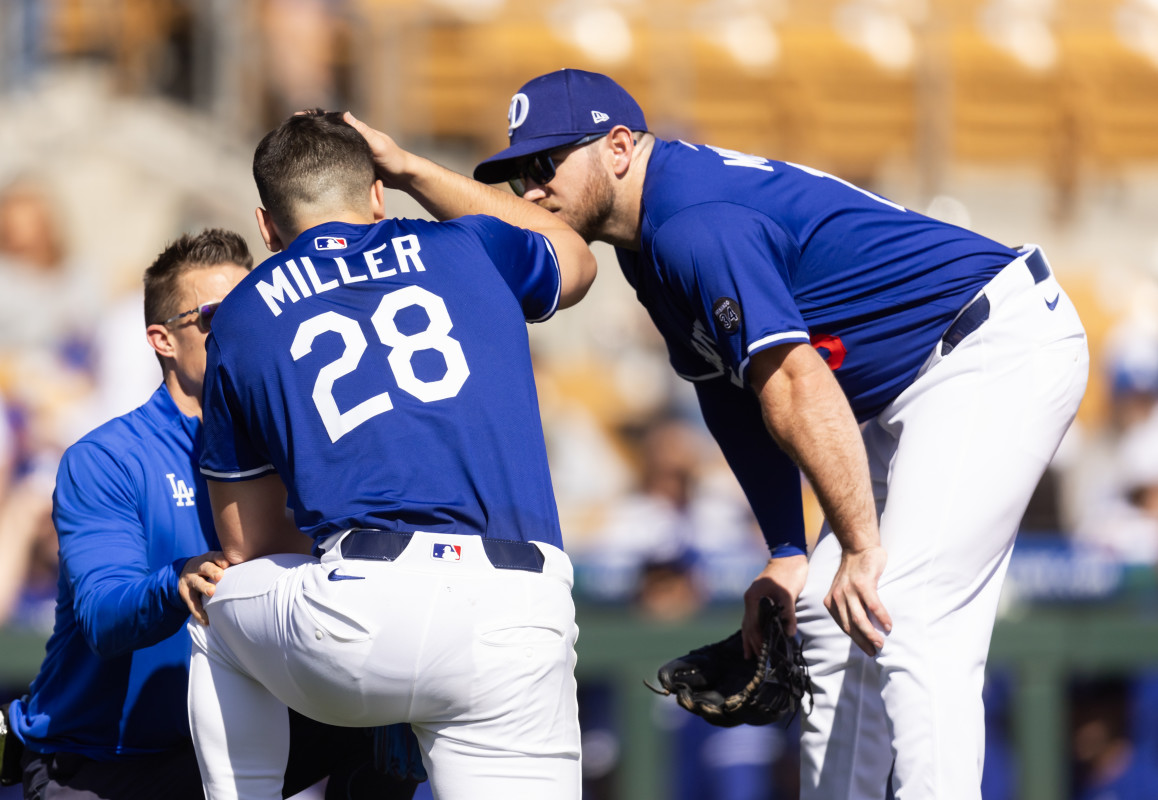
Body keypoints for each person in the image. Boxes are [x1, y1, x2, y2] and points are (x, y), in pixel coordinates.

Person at [472, 68, 1089, 799]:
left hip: (994, 347)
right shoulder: (648, 240)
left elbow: (796, 384)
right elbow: (729, 392)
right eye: (519, 175)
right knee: (829, 619)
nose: (531, 190)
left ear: (618, 147)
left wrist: (860, 544)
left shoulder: (693, 221)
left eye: (546, 163)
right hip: (917, 384)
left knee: (906, 609)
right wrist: (789, 552)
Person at [182, 110, 596, 800]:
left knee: (217, 604)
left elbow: (249, 544)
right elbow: (574, 258)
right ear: (378, 194)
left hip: (363, 613)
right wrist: (411, 167)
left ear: (266, 227)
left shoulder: (243, 313)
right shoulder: (471, 244)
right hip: (520, 608)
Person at [3, 229, 418, 800]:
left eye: (251, 310)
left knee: (393, 715)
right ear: (163, 340)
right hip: (96, 764)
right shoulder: (107, 458)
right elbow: (102, 616)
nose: (242, 329)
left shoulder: (296, 447)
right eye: (216, 316)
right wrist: (179, 580)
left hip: (226, 742)